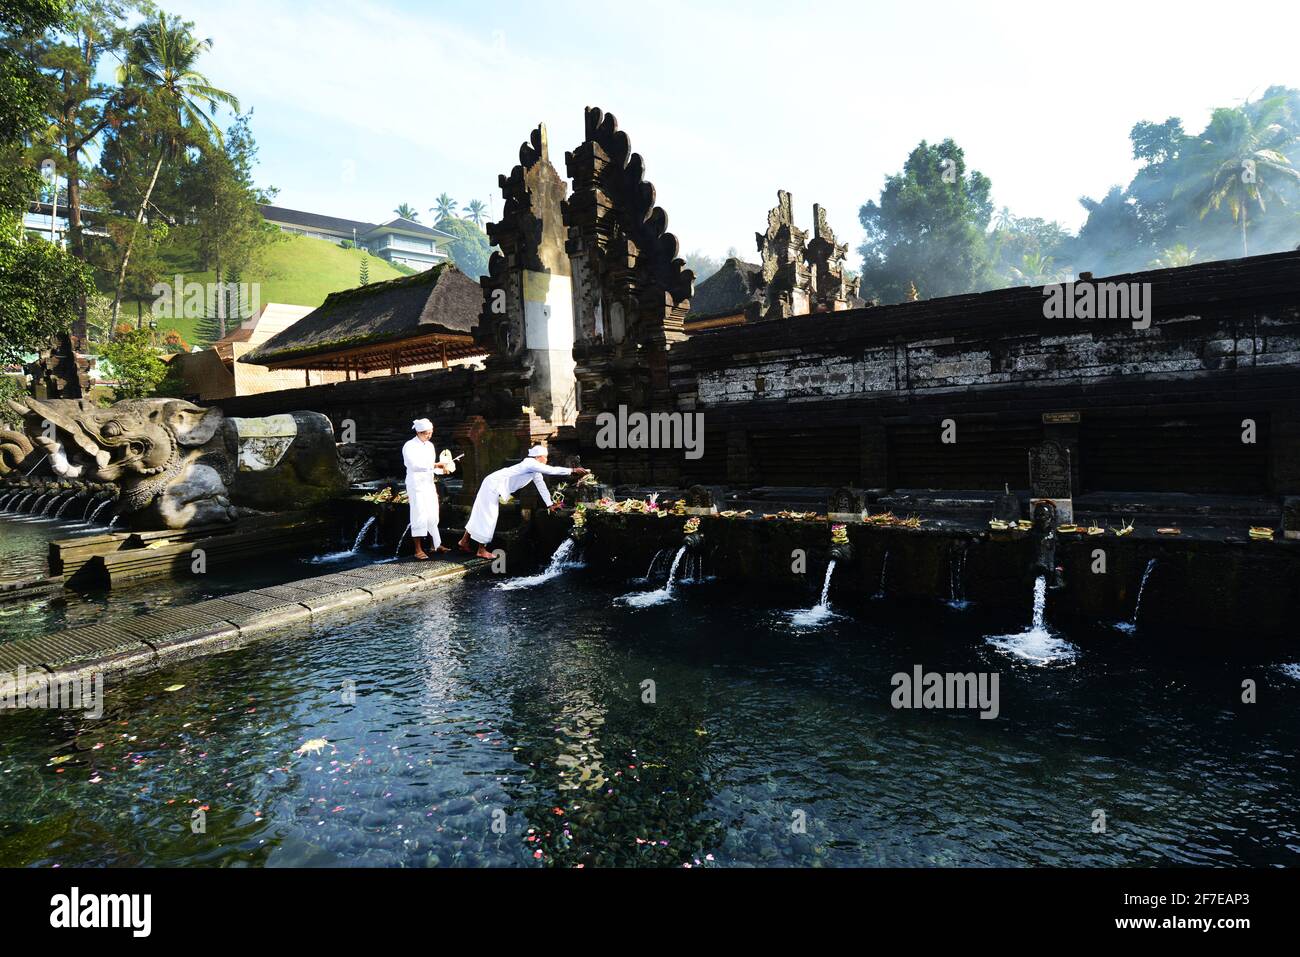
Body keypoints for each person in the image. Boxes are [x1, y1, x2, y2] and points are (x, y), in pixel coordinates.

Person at [459, 445, 587, 559]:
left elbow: (541, 484)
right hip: (493, 484)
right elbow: (551, 470)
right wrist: (573, 470)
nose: (546, 460)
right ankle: (481, 550)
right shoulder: (530, 463)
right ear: (538, 457)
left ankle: (464, 541)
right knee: (489, 516)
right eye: (545, 457)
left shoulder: (534, 468)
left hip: (492, 483)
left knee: (480, 513)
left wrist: (550, 504)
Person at [402, 418, 452, 560]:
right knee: (419, 515)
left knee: (433, 513)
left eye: (431, 433)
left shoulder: (430, 446)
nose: (429, 436)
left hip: (428, 483)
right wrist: (436, 465)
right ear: (418, 432)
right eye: (426, 433)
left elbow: (431, 468)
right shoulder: (409, 446)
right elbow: (414, 466)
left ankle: (435, 544)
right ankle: (418, 549)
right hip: (416, 485)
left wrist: (444, 469)